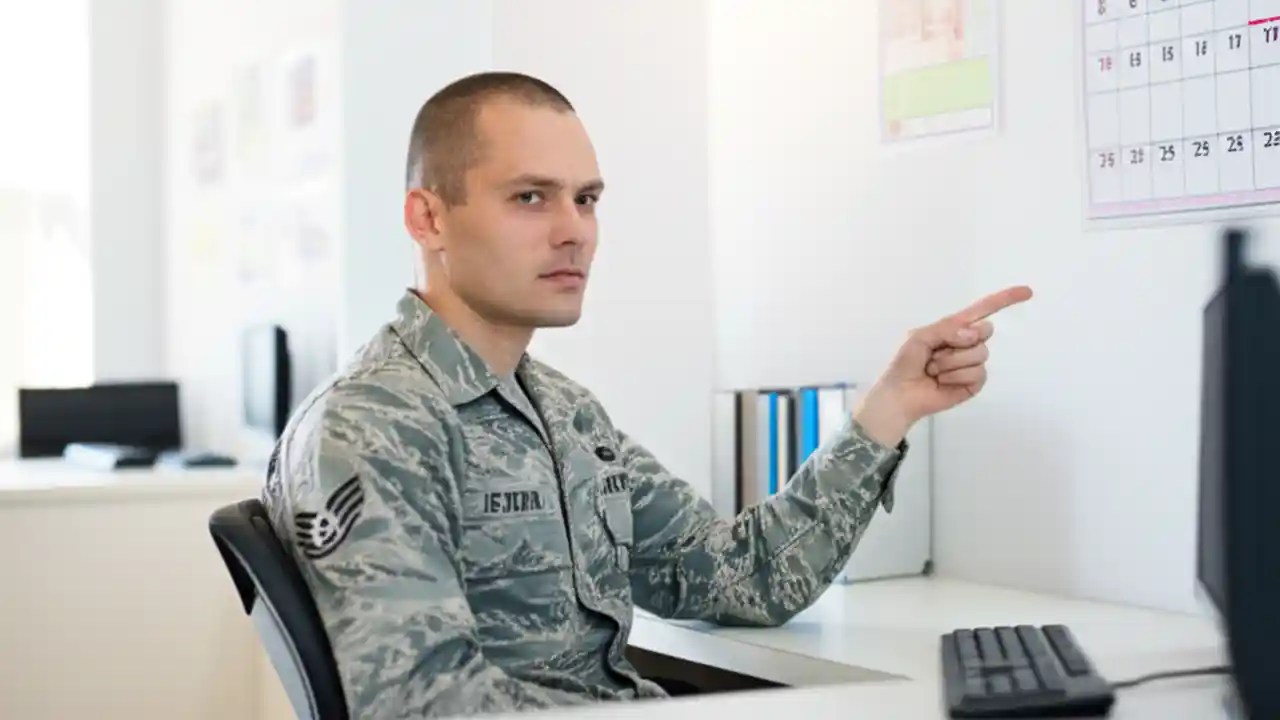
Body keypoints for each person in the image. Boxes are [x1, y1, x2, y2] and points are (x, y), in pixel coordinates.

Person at [261, 70, 1032, 718]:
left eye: (587, 199)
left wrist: (887, 409)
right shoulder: (369, 426)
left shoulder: (563, 413)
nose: (575, 232)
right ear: (427, 217)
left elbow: (742, 579)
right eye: (531, 198)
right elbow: (418, 704)